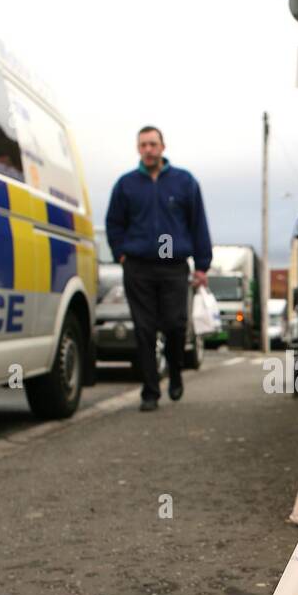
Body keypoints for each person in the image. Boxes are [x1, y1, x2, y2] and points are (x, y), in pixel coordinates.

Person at [106, 126, 212, 411]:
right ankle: (150, 391)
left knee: (176, 326)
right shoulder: (126, 185)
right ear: (138, 149)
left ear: (163, 147)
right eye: (143, 145)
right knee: (144, 330)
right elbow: (114, 223)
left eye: (153, 144)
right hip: (138, 267)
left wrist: (202, 265)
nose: (148, 149)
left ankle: (175, 372)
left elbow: (198, 223)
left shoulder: (184, 182)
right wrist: (121, 254)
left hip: (174, 267)